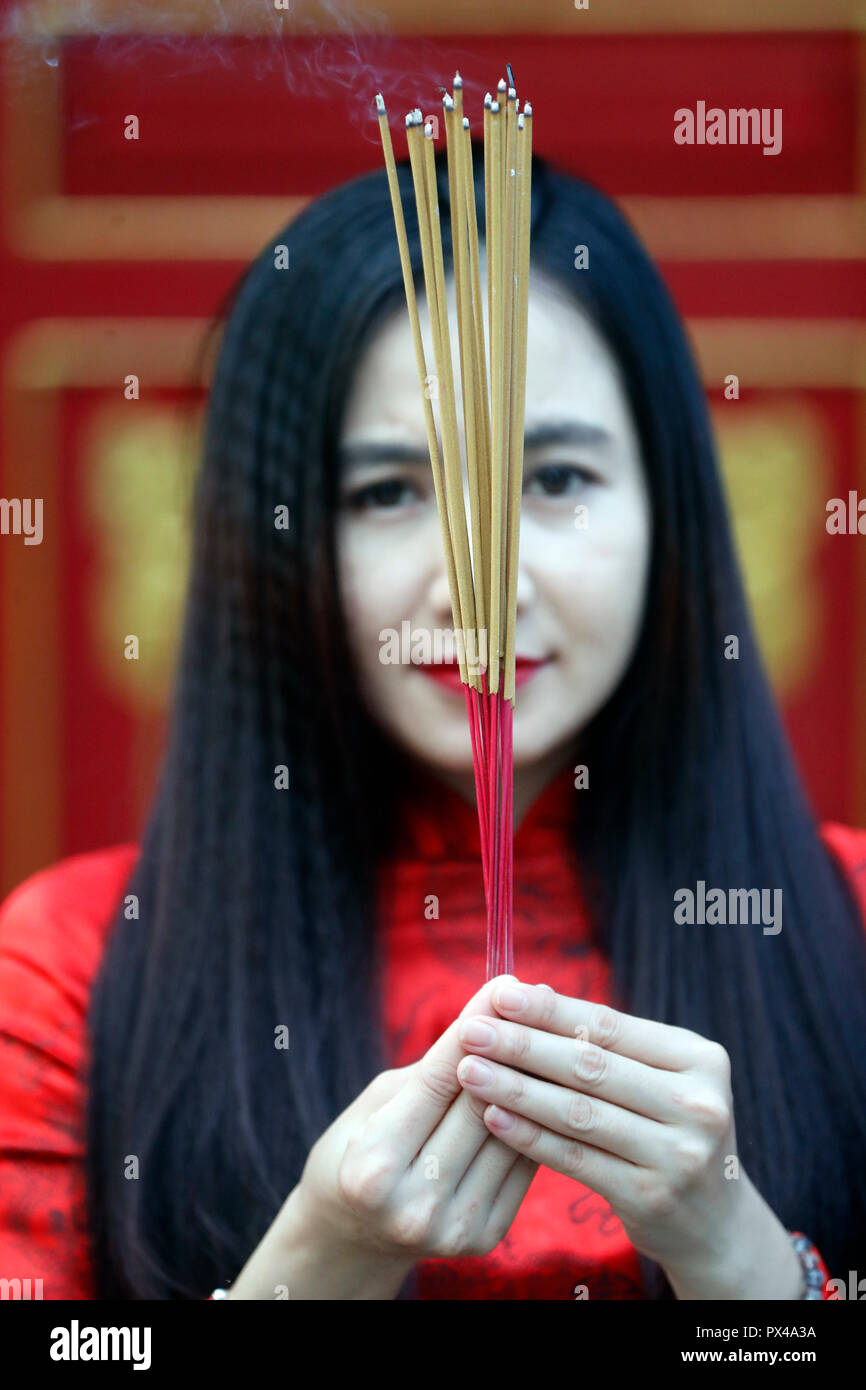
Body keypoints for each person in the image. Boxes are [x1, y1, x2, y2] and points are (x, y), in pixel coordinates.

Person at [1, 144, 865, 1302]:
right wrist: (320, 1261)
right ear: (274, 543)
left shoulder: (848, 927)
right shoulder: (67, 967)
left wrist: (744, 1263)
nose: (478, 581)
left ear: (672, 506)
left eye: (552, 477)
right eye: (387, 493)